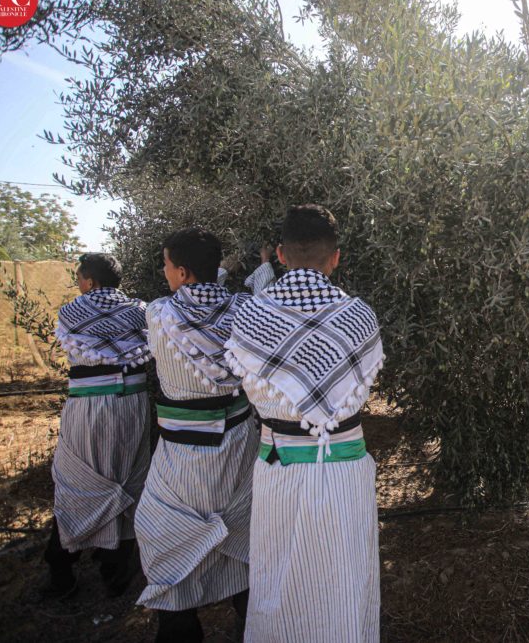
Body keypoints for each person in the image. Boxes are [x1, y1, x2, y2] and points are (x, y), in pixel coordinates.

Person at [225, 204, 384, 642]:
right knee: (346, 583)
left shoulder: (251, 315)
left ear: (280, 253)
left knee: (279, 582)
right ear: (336, 258)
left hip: (279, 471)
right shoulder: (360, 316)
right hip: (345, 470)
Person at [135, 227, 275, 641]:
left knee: (163, 535)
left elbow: (201, 303)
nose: (164, 272)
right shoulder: (247, 311)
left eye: (166, 264)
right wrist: (264, 264)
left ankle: (180, 628)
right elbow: (256, 298)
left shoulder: (159, 313)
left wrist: (219, 276)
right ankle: (252, 626)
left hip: (183, 455)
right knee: (245, 534)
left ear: (181, 272)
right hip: (240, 445)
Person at [43, 252, 153, 599]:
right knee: (126, 477)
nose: (78, 283)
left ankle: (62, 567)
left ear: (89, 281)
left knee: (77, 481)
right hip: (133, 406)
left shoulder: (73, 311)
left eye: (79, 277)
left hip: (88, 409)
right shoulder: (141, 311)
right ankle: (115, 571)